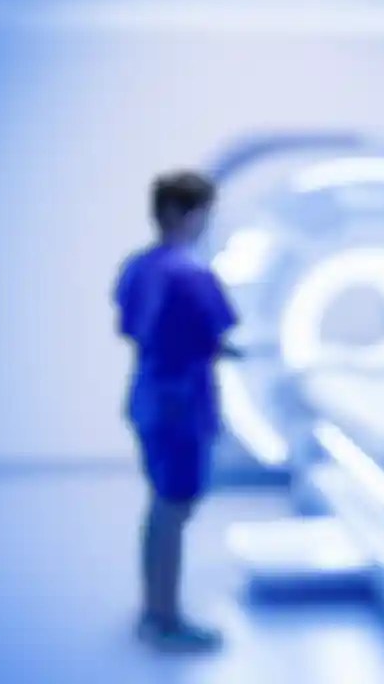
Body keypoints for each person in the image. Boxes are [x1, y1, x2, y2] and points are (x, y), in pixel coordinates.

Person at [114, 171, 242, 653]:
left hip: (148, 397)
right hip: (183, 406)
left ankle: (153, 609)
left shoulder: (138, 267)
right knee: (175, 509)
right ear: (180, 214)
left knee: (160, 507)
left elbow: (133, 328)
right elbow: (214, 336)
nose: (206, 223)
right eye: (203, 213)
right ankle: (165, 620)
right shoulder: (191, 274)